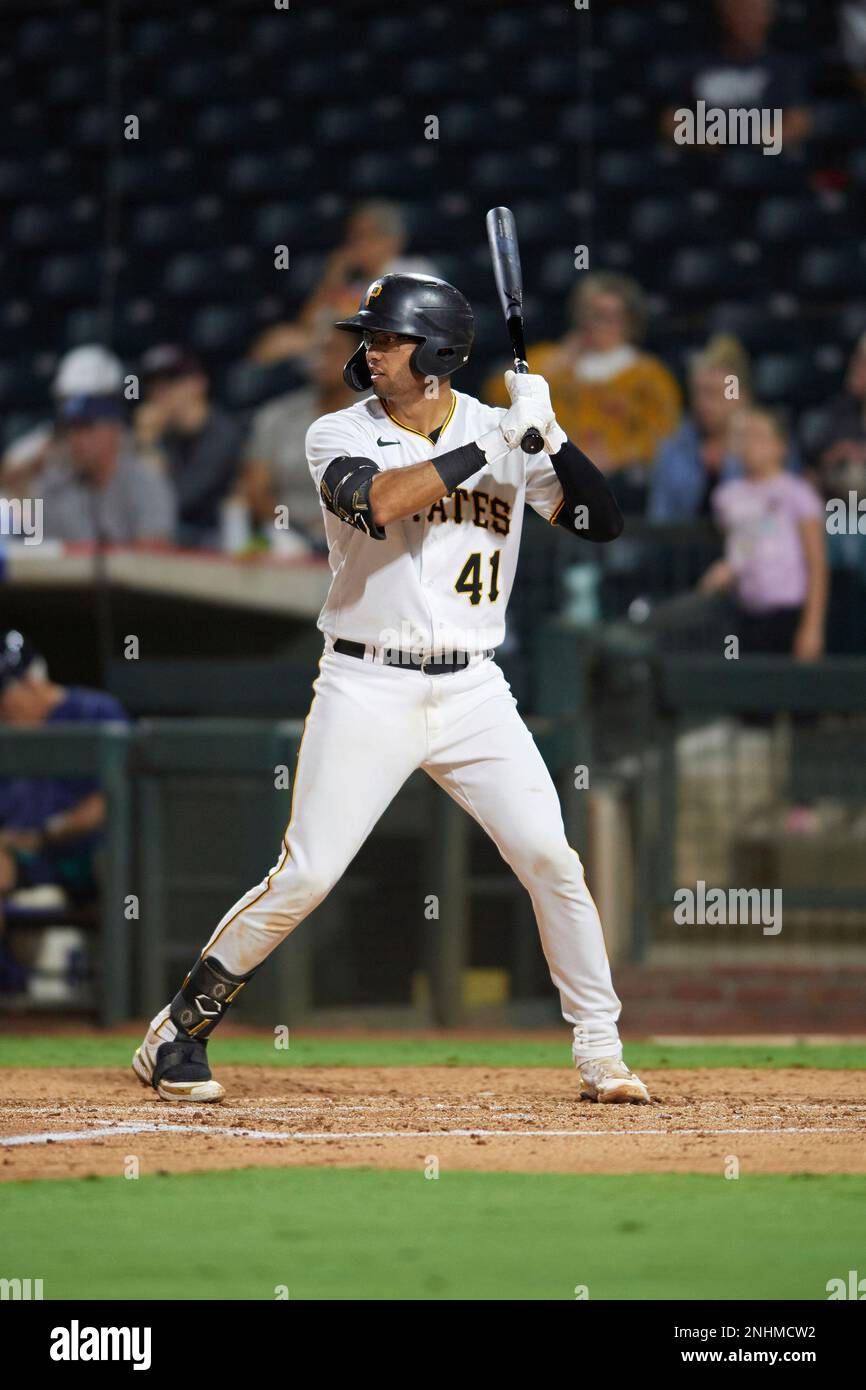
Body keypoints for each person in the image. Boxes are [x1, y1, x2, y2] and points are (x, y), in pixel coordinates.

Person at [132, 272, 651, 1107]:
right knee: (305, 874)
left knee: (552, 857)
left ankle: (601, 1050)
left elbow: (600, 521)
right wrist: (496, 446)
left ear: (438, 350)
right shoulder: (339, 432)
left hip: (475, 689)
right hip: (366, 682)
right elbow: (377, 502)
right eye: (367, 338)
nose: (369, 351)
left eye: (387, 339)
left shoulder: (504, 426)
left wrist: (552, 437)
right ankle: (176, 1032)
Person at [484, 273, 681, 512]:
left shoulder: (649, 375)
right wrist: (559, 360)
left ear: (629, 321)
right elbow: (497, 393)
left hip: (617, 481)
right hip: (550, 474)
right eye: (593, 316)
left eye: (610, 317)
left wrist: (614, 455)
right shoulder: (555, 362)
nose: (599, 325)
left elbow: (663, 436)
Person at [0, 631, 128, 991]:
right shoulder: (8, 732)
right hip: (27, 864)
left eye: (4, 695)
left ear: (31, 683)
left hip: (88, 858)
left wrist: (46, 833)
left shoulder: (94, 711)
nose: (2, 708)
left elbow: (111, 801)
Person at [13, 345, 176, 545]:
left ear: (113, 427)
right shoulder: (54, 487)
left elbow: (152, 564)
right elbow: (40, 558)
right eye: (71, 428)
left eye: (86, 427)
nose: (76, 439)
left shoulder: (145, 481)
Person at [700, 408, 827, 658]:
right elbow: (740, 544)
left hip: (789, 611)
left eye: (758, 436)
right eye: (744, 436)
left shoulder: (798, 493)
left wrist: (812, 627)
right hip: (746, 612)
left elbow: (817, 565)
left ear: (780, 446)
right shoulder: (727, 496)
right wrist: (727, 568)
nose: (749, 444)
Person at [250, 201, 435, 367]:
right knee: (278, 340)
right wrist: (333, 276)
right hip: (331, 349)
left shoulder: (413, 268)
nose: (357, 244)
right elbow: (307, 325)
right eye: (353, 237)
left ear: (392, 240)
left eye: (366, 235)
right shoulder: (350, 284)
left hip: (383, 348)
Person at [239, 326, 356, 546]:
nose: (321, 359)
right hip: (289, 536)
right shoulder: (277, 415)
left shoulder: (378, 415)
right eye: (316, 351)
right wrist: (288, 532)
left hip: (360, 536)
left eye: (332, 350)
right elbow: (256, 488)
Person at [661, 0, 812, 149]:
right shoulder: (697, 66)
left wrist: (755, 140)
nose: (748, 20)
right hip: (708, 158)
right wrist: (700, 139)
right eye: (742, 13)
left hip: (763, 158)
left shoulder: (782, 69)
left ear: (768, 19)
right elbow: (671, 120)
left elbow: (799, 122)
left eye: (755, 13)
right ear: (726, 18)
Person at [135, 345, 242, 549]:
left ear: (198, 383)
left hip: (219, 540)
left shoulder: (222, 433)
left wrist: (149, 445)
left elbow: (181, 500)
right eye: (154, 385)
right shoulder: (162, 434)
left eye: (172, 382)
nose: (161, 393)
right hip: (177, 536)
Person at [649, 336, 751, 521]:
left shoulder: (767, 443)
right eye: (698, 393)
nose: (702, 404)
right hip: (684, 547)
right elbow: (661, 520)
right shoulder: (674, 446)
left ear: (739, 396)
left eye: (712, 394)